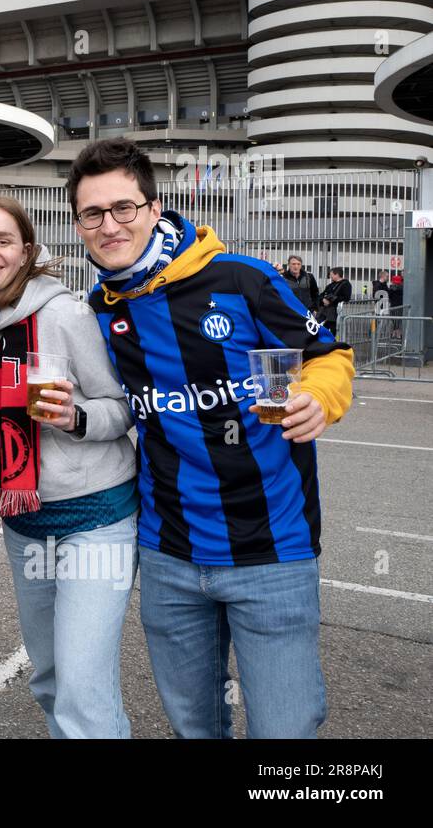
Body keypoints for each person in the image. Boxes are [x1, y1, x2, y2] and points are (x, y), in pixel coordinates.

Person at [68, 136, 355, 739]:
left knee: (285, 731)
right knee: (197, 728)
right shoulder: (100, 310)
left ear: (153, 207)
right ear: (79, 225)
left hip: (272, 549)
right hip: (168, 553)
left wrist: (319, 397)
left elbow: (327, 354)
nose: (110, 225)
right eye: (92, 214)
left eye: (124, 207)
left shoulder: (241, 278)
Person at [0, 196, 138, 738]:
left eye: (4, 241)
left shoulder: (65, 313)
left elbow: (124, 406)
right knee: (52, 678)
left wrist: (75, 417)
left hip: (95, 515)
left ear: (27, 250)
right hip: (26, 521)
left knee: (82, 682)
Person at [318, 267, 352, 332]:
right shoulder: (330, 285)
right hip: (325, 312)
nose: (330, 276)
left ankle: (332, 341)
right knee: (322, 329)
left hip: (336, 313)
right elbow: (321, 295)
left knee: (333, 330)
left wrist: (331, 300)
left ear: (337, 274)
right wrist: (323, 300)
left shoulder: (346, 284)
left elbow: (346, 298)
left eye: (331, 274)